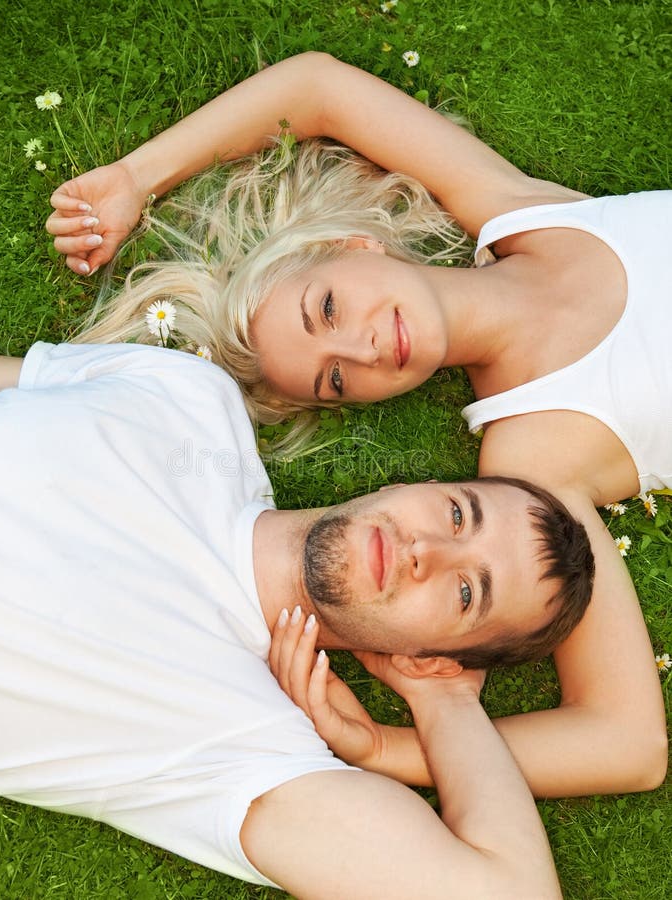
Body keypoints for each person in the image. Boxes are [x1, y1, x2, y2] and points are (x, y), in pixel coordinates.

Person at [47, 52, 668, 796]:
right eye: (336, 378)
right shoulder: (535, 461)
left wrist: (135, 178)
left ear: (356, 247)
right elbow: (627, 743)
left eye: (328, 308)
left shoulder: (528, 212)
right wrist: (384, 748)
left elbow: (316, 88)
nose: (362, 346)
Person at [0, 343, 587, 897]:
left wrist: (446, 704)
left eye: (467, 593)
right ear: (413, 486)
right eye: (455, 515)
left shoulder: (248, 749)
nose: (429, 554)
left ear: (429, 655)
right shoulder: (192, 399)